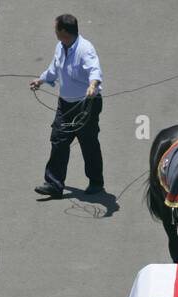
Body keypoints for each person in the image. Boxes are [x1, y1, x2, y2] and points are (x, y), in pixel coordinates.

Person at [31, 14, 104, 197]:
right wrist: (41, 80)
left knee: (88, 143)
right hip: (65, 105)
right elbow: (54, 68)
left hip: (86, 105)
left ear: (63, 32)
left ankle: (96, 182)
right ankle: (54, 185)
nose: (54, 32)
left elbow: (94, 70)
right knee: (58, 140)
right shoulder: (61, 46)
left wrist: (92, 85)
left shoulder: (85, 49)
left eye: (56, 29)